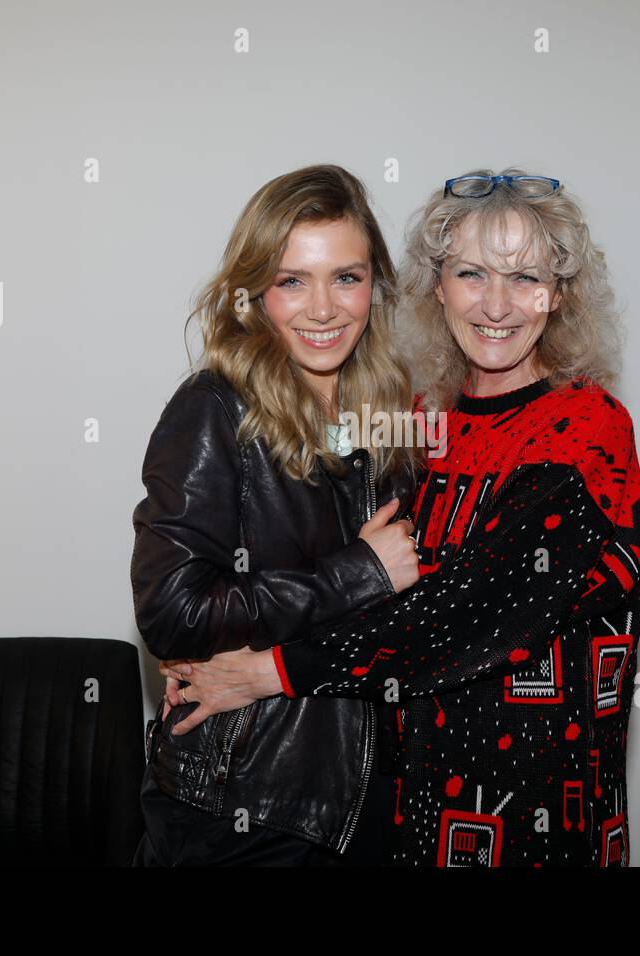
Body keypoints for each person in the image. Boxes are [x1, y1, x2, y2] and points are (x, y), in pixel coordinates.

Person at [165, 169, 640, 867]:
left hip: (533, 818)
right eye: (472, 274)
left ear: (561, 294)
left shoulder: (584, 429)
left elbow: (471, 608)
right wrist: (229, 403)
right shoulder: (423, 421)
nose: (497, 304)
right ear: (437, 285)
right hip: (403, 807)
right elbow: (304, 445)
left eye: (526, 279)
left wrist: (268, 671)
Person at [129, 164, 424, 866]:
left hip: (361, 794)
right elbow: (170, 610)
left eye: (346, 278)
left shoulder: (382, 409)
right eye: (293, 280)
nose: (323, 309)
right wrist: (355, 574)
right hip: (248, 803)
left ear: (375, 288)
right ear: (255, 291)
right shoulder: (214, 407)